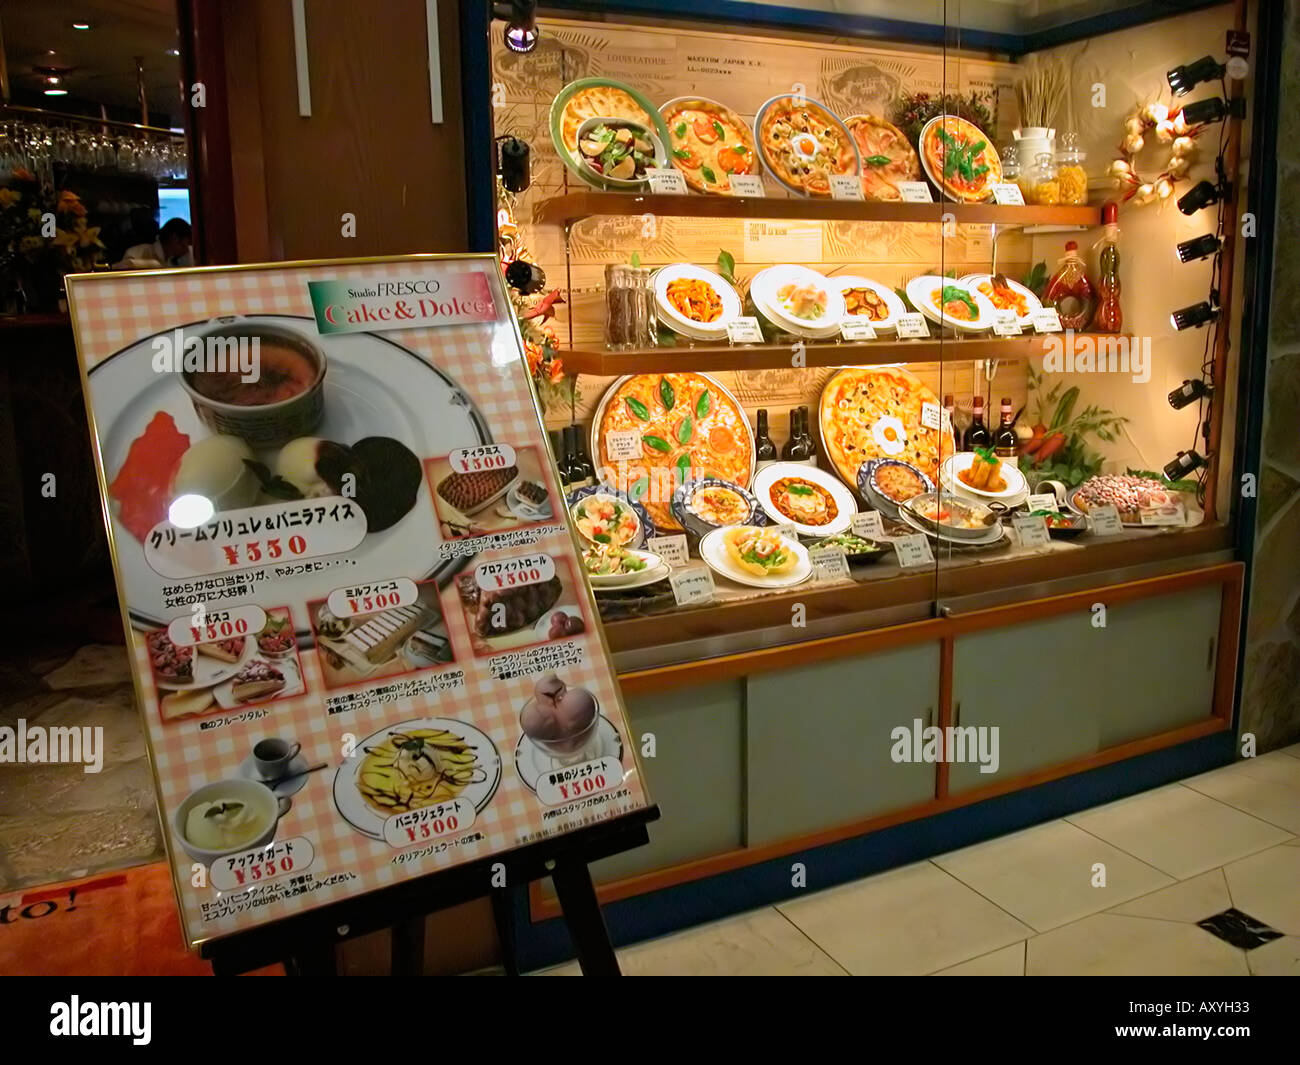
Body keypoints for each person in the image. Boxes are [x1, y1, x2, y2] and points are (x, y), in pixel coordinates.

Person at [114, 217, 193, 269]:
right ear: (174, 238)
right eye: (184, 245)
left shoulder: (171, 260)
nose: (186, 250)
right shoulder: (137, 253)